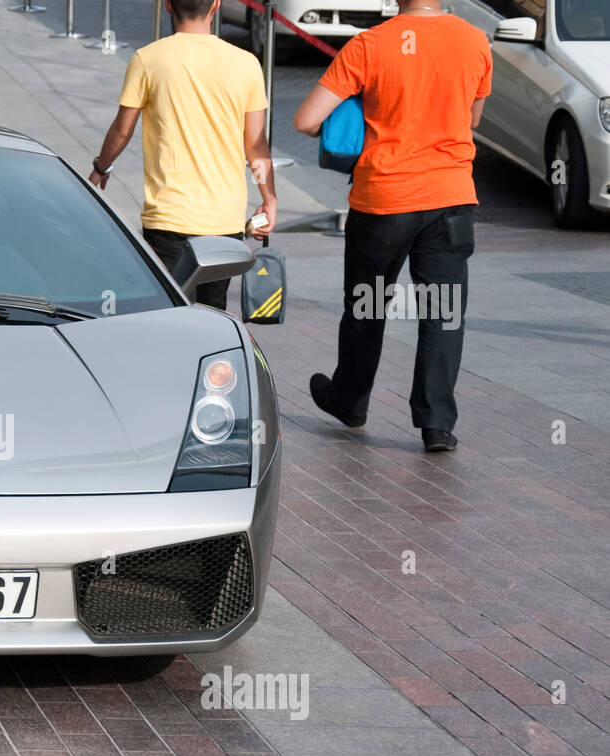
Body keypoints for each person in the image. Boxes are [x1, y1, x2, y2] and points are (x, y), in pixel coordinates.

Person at [294, 0, 491, 453]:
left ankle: (350, 401)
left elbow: (306, 120)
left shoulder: (370, 44)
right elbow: (473, 119)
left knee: (368, 305)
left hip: (384, 200)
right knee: (443, 313)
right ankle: (436, 424)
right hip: (451, 197)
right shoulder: (474, 40)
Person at [91, 0, 275, 311]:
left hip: (168, 217)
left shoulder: (148, 59)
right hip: (224, 220)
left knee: (169, 313)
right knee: (214, 312)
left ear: (166, 5)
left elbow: (123, 130)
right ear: (216, 4)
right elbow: (255, 145)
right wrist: (268, 197)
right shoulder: (246, 64)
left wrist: (100, 168)